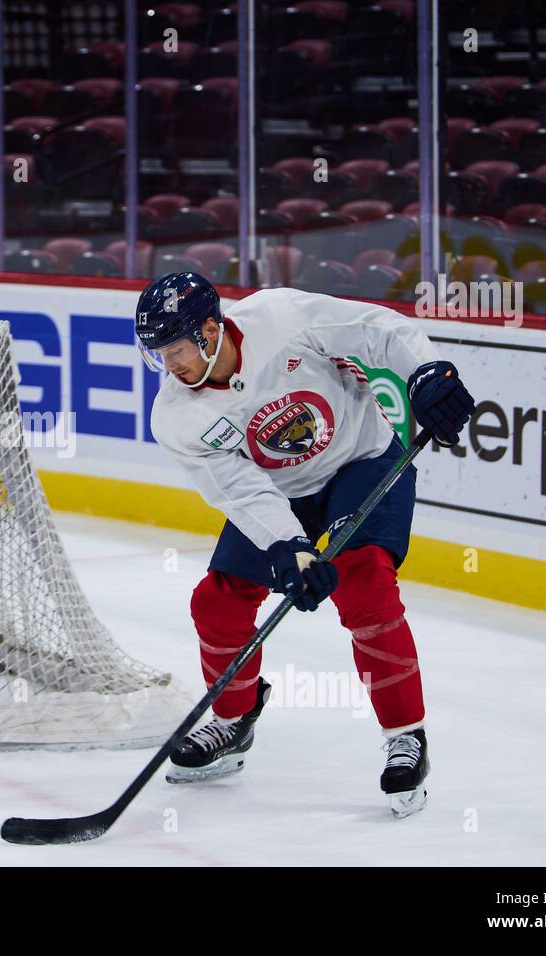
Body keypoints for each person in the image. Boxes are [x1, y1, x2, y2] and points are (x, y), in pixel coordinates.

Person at [136, 273, 474, 817]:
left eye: (175, 350)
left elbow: (378, 330)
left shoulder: (281, 317)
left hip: (360, 461)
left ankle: (406, 737)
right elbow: (241, 490)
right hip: (281, 493)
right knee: (217, 602)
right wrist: (288, 547)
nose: (169, 366)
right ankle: (233, 720)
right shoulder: (177, 416)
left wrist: (427, 373)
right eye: (157, 355)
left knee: (366, 589)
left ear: (208, 330)